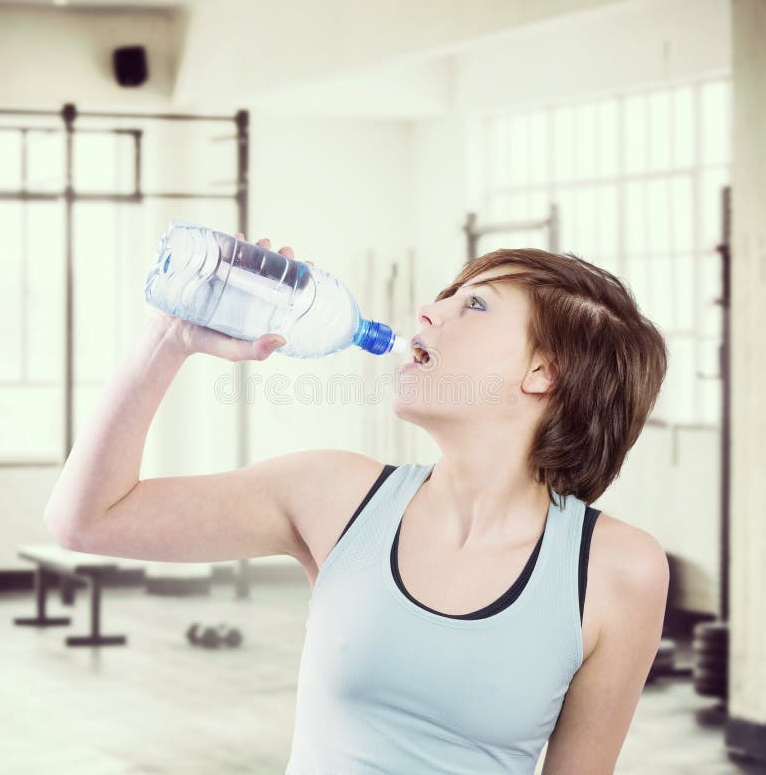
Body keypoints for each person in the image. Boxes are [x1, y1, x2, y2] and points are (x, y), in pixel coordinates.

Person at [44, 234, 671, 775]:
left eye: (474, 305)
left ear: (542, 372)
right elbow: (88, 519)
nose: (428, 311)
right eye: (446, 296)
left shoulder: (618, 569)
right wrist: (170, 336)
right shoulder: (337, 496)